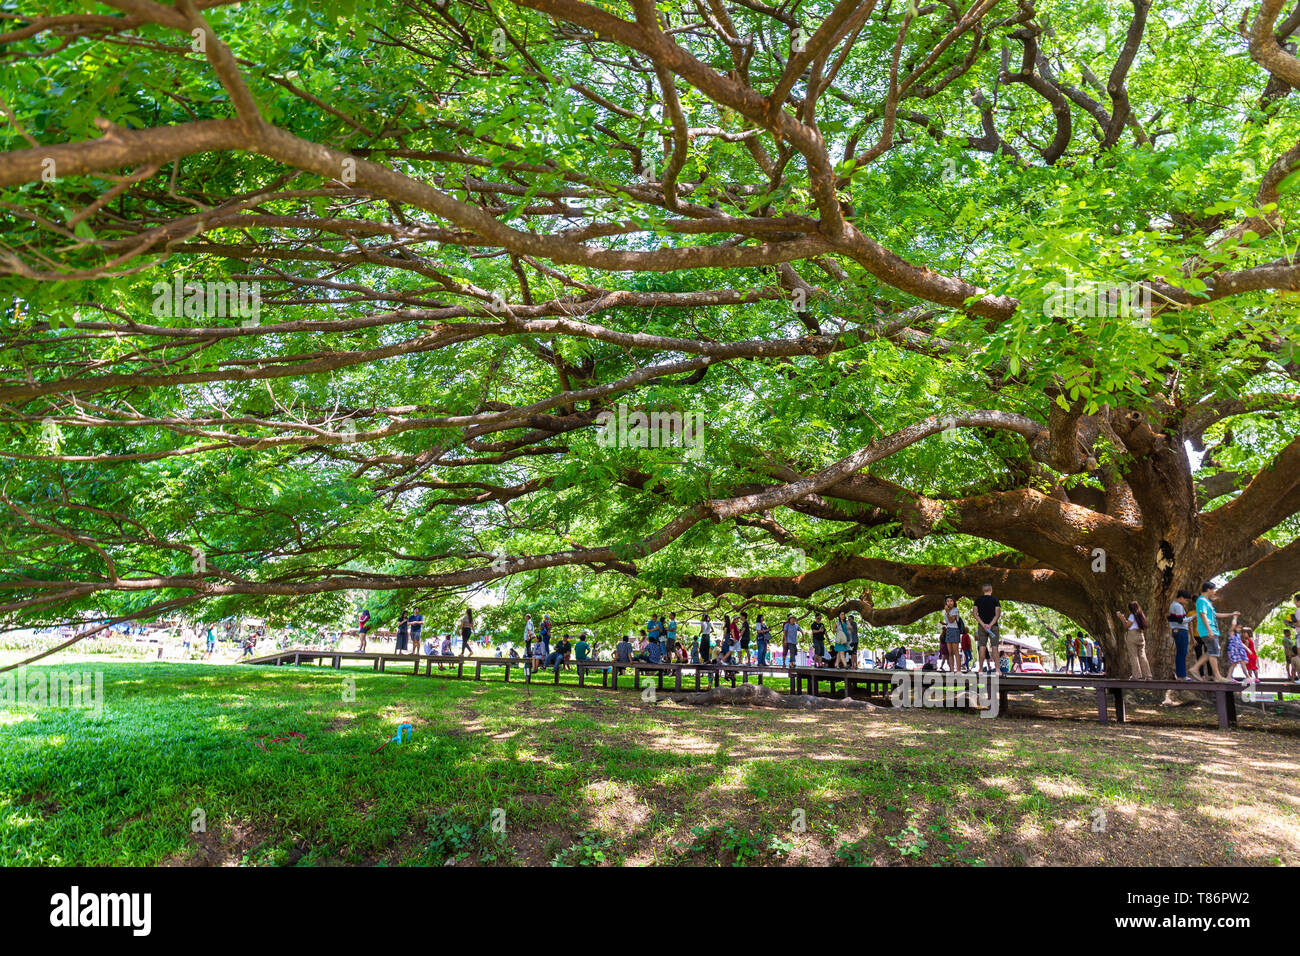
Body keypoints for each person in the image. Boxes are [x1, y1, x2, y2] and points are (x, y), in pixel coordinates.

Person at [1191, 581, 1229, 681]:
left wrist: (1231, 614)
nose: (1214, 592)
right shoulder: (1202, 600)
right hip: (1208, 630)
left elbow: (1215, 615)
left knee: (1211, 651)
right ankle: (1217, 676)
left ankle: (1195, 668)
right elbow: (1202, 615)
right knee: (1213, 652)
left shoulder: (1207, 602)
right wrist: (1209, 630)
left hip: (1212, 630)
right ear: (1208, 590)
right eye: (1213, 589)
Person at [1115, 601, 1153, 679]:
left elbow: (1127, 626)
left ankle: (1136, 675)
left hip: (1133, 635)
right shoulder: (1141, 615)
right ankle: (1148, 675)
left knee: (1133, 655)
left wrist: (1121, 618)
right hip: (1141, 635)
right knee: (1142, 656)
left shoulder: (1132, 616)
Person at [973, 583, 1001, 673]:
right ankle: (997, 670)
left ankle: (980, 669)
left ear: (983, 590)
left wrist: (983, 624)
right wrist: (990, 625)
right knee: (995, 647)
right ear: (991, 590)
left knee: (982, 647)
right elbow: (997, 615)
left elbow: (974, 614)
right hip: (993, 627)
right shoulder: (995, 600)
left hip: (982, 627)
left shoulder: (977, 600)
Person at [941, 597, 962, 673]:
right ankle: (952, 670)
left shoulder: (955, 610)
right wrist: (944, 624)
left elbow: (952, 620)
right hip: (949, 630)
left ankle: (958, 670)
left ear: (954, 602)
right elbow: (948, 622)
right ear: (946, 603)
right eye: (947, 601)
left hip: (955, 630)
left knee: (956, 651)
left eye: (951, 601)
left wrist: (947, 612)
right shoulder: (947, 611)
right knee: (950, 652)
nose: (949, 603)